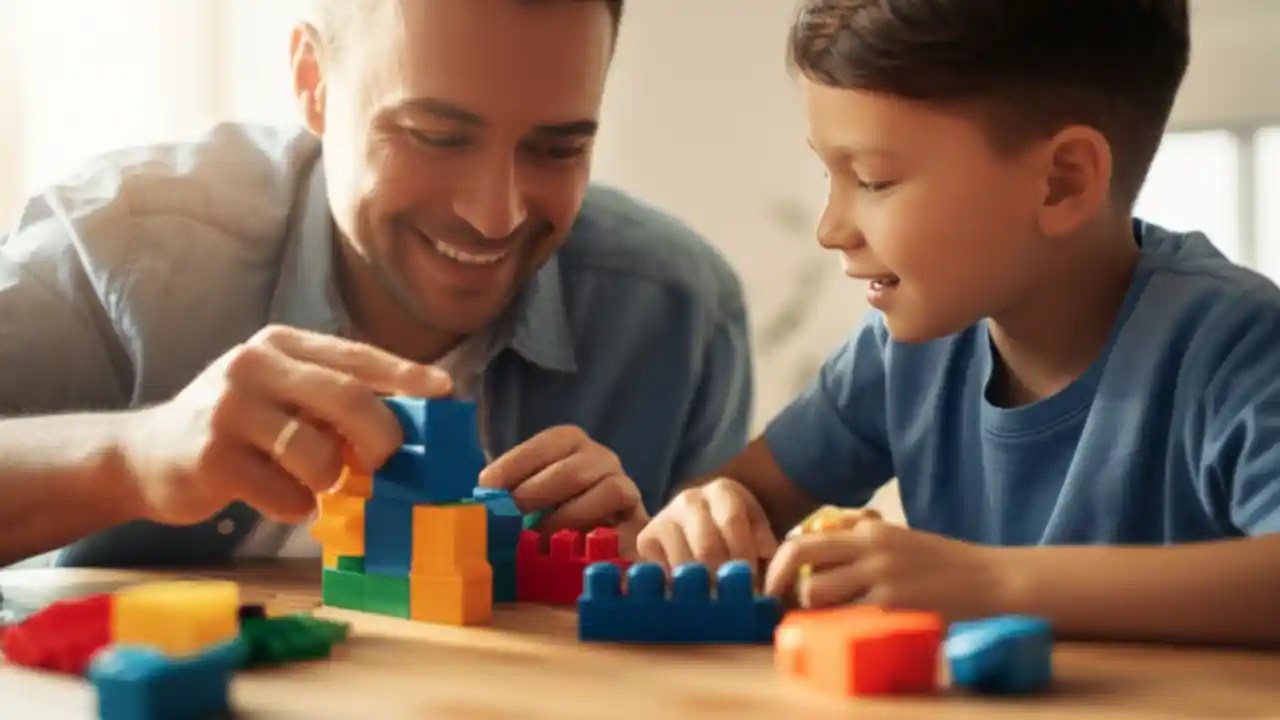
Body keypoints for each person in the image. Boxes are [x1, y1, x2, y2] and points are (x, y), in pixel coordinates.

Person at [0, 0, 752, 568]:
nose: (496, 215)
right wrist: (130, 459)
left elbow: (710, 646)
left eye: (556, 150)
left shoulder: (679, 316)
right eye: (435, 138)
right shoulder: (118, 248)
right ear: (313, 83)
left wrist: (637, 576)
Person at [639, 0, 1280, 647]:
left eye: (873, 179)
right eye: (829, 173)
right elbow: (744, 493)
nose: (830, 229)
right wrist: (707, 513)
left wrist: (992, 586)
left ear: (1061, 182)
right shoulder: (901, 356)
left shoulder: (1235, 348)